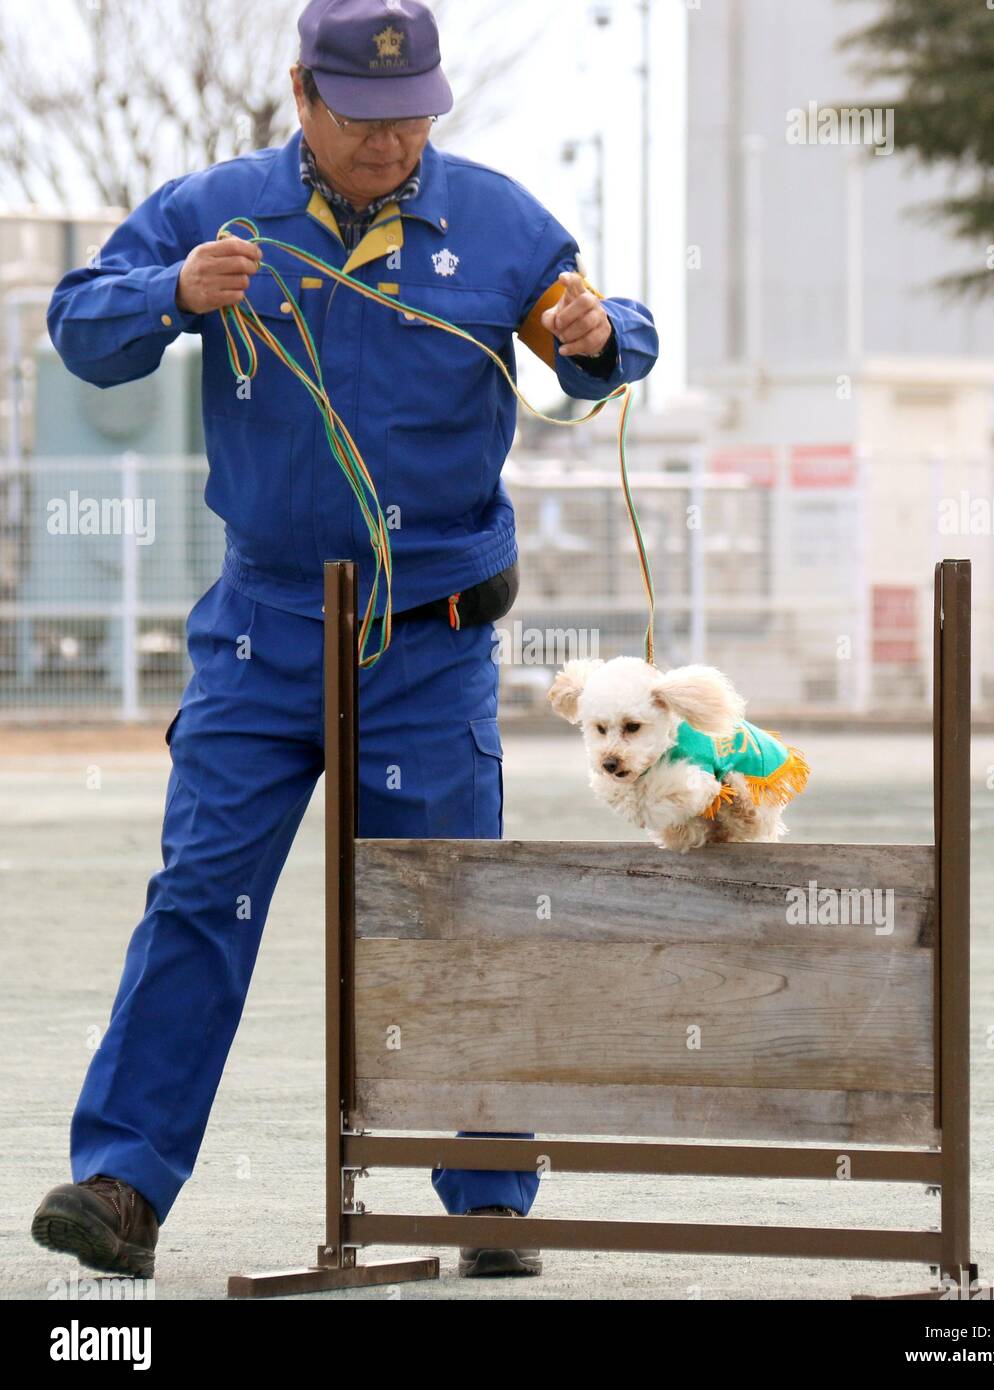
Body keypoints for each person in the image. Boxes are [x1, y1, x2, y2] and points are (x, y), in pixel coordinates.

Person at [31, 0, 658, 1281]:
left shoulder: (497, 224)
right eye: (367, 119)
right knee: (203, 893)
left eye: (415, 114)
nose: (393, 143)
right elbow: (80, 326)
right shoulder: (217, 207)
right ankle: (122, 1184)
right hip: (262, 631)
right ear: (304, 96)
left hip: (428, 643)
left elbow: (590, 345)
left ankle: (487, 1195)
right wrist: (171, 291)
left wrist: (601, 339)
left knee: (445, 913)